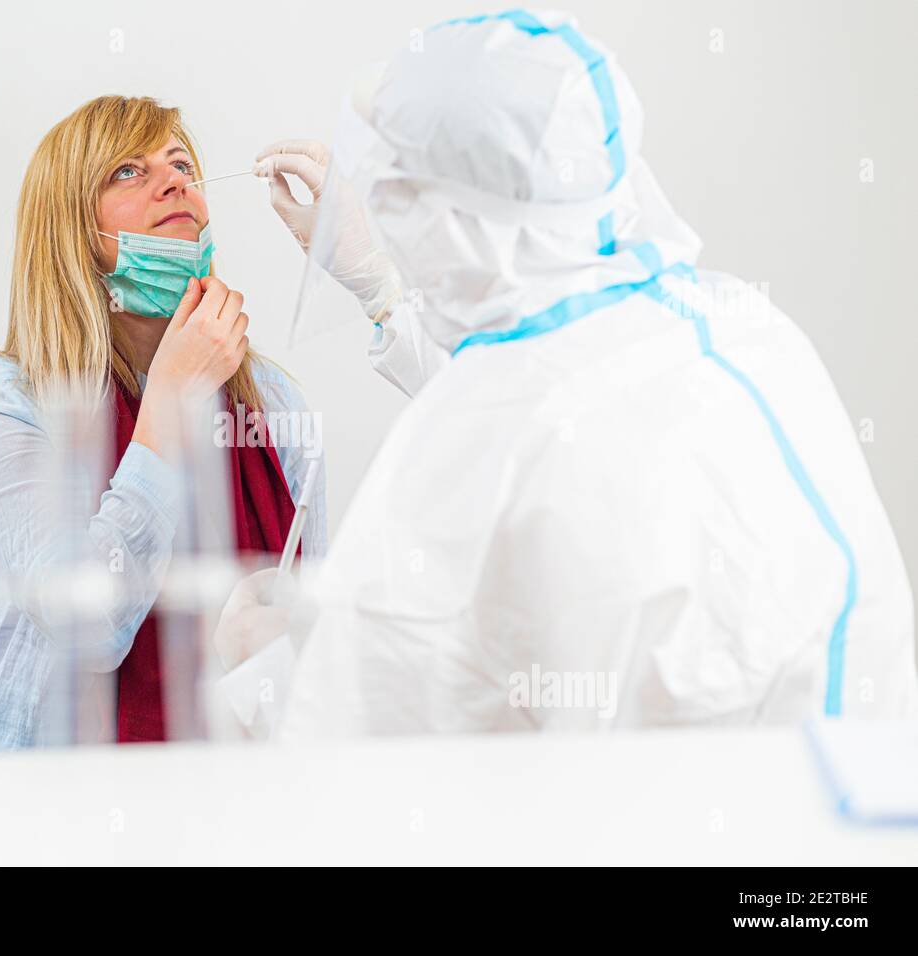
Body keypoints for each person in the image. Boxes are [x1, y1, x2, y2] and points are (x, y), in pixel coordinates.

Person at [242, 10, 917, 735]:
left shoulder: (461, 440)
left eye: (396, 190)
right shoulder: (743, 327)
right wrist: (376, 284)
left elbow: (341, 732)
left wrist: (250, 664)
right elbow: (557, 394)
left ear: (433, 211)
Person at [0, 95, 326, 749]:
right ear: (71, 235)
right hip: (48, 810)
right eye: (129, 170)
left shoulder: (273, 405)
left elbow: (317, 629)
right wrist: (172, 404)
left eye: (181, 164)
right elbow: (89, 628)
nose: (174, 180)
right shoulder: (2, 408)